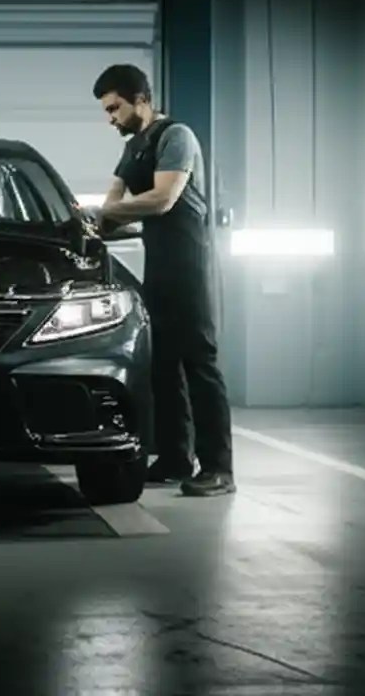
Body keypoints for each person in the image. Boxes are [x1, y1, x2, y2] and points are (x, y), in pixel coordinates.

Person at [90, 64, 235, 497]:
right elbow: (111, 208)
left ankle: (219, 469)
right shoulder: (133, 149)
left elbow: (163, 199)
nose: (110, 117)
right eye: (105, 110)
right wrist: (88, 222)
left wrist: (105, 213)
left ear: (140, 99)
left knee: (200, 365)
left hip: (191, 266)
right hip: (160, 269)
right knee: (163, 367)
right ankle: (175, 458)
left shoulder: (177, 137)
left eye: (114, 107)